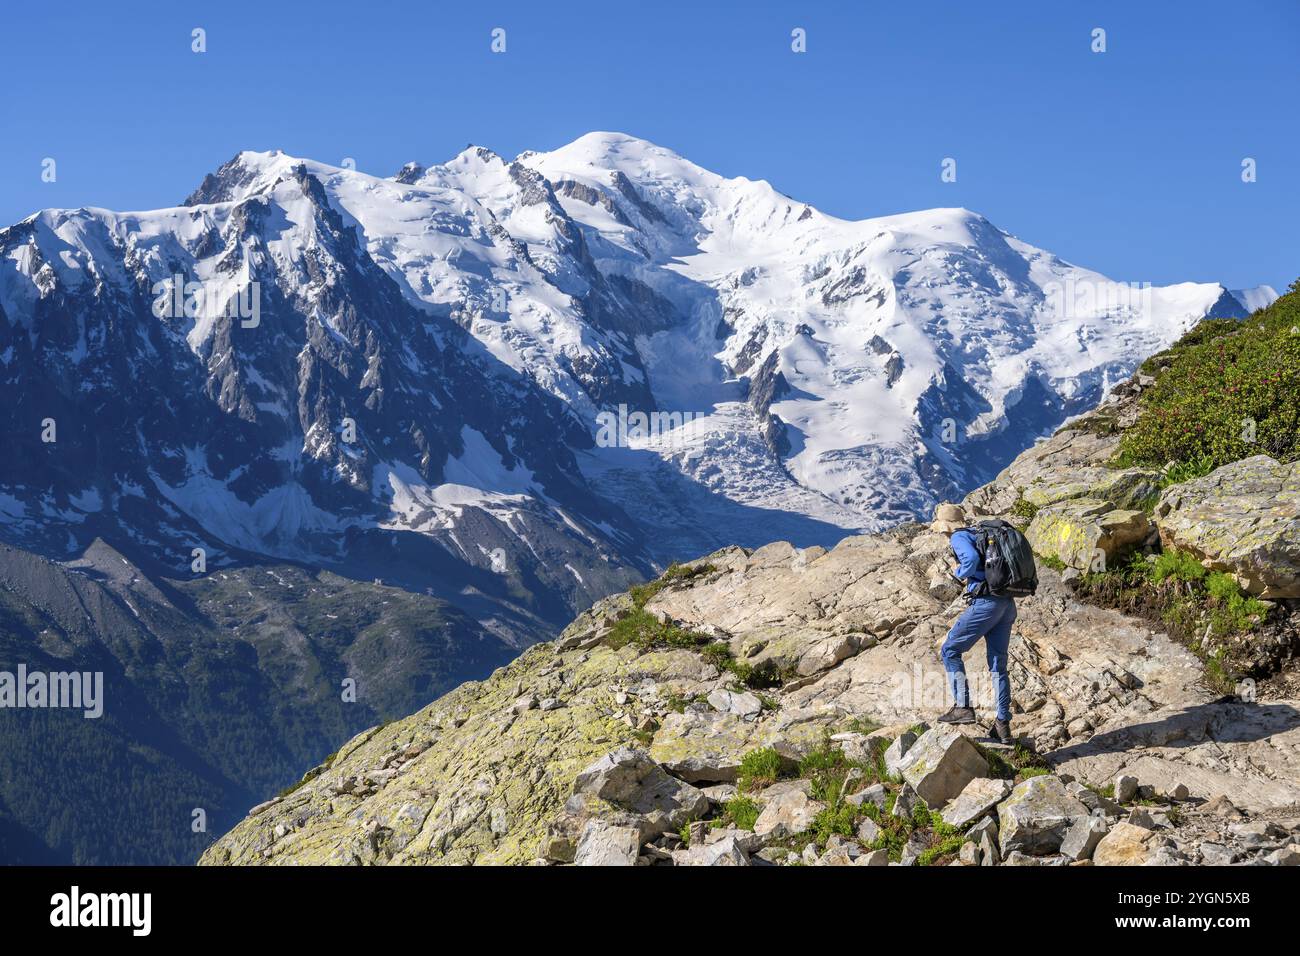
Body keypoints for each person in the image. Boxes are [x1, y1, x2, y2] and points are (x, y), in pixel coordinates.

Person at [931, 503, 1016, 744]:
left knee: (950, 650)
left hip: (986, 604)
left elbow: (969, 559)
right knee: (998, 664)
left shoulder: (958, 537)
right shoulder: (979, 533)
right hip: (1006, 603)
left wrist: (958, 575)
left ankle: (963, 707)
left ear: (944, 526)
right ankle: (1002, 725)